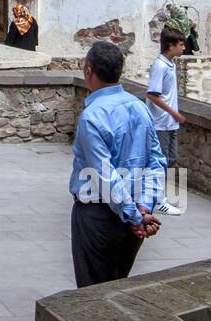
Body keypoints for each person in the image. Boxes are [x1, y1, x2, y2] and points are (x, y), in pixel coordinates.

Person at [68, 41, 166, 287]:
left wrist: (135, 215)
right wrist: (144, 207)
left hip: (98, 216)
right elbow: (156, 162)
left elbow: (104, 176)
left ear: (88, 70)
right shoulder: (139, 107)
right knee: (117, 284)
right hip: (132, 214)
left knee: (94, 291)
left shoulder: (93, 117)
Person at [146, 25, 187, 216]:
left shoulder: (170, 64)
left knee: (170, 160)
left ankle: (159, 196)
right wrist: (173, 112)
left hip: (169, 123)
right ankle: (158, 200)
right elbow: (153, 95)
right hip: (160, 122)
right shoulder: (160, 65)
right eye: (181, 44)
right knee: (160, 161)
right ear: (171, 46)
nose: (184, 48)